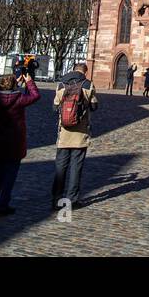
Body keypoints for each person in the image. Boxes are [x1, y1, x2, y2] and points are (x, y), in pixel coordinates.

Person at [0, 71, 41, 216]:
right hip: (14, 142)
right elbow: (36, 96)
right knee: (10, 175)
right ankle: (3, 205)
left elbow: (2, 89)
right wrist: (29, 81)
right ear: (14, 84)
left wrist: (12, 81)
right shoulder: (19, 98)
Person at [51, 62, 99, 211]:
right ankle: (72, 199)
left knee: (61, 166)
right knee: (76, 166)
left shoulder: (61, 85)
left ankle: (56, 199)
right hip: (80, 133)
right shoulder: (88, 85)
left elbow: (54, 107)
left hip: (64, 133)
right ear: (85, 71)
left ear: (73, 70)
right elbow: (94, 106)